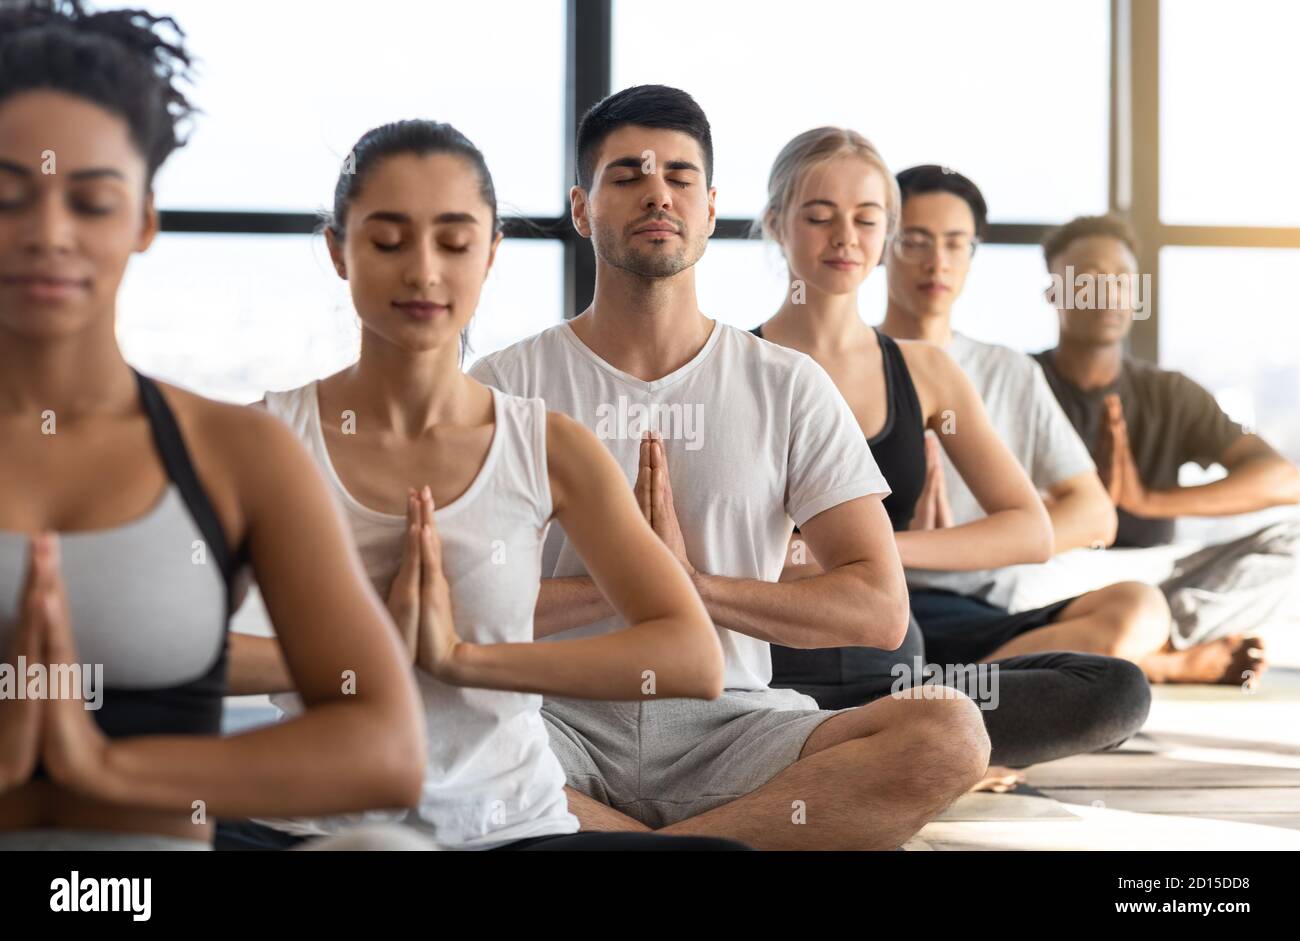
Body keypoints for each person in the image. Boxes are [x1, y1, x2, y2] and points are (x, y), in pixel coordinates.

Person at [470, 85, 992, 851]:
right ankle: (719, 845)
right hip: (554, 719)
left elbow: (878, 607)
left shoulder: (786, 384)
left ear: (710, 209)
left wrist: (694, 585)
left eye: (680, 177)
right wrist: (622, 583)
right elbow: (454, 601)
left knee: (950, 730)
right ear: (582, 209)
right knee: (417, 735)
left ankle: (634, 843)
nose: (658, 194)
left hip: (730, 721)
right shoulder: (502, 384)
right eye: (628, 177)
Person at [225, 119, 744, 851]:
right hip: (311, 827)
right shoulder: (263, 441)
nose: (425, 272)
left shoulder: (549, 445)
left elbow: (692, 656)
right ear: (339, 250)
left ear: (492, 252)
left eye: (455, 240)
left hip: (512, 832)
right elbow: (147, 652)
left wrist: (463, 659)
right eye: (388, 239)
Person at [0, 0, 426, 850]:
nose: (49, 234)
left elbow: (384, 743)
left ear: (145, 221)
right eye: (7, 196)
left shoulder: (236, 454)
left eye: (90, 202)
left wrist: (104, 770)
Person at [751, 127, 1150, 778]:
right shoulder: (730, 364)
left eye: (867, 218)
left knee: (1116, 690)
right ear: (776, 225)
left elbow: (1029, 528)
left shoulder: (925, 371)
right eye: (819, 217)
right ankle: (896, 755)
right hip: (768, 672)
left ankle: (895, 747)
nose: (845, 238)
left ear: (886, 235)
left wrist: (870, 555)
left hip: (897, 674)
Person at [878, 166, 1199, 683]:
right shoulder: (845, 364)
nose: (937, 261)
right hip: (869, 601)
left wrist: (967, 544)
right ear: (882, 245)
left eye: (956, 244)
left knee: (1140, 609)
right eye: (915, 241)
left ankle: (940, 697)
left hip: (982, 610)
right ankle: (962, 701)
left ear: (972, 255)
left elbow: (1096, 515)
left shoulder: (1009, 372)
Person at [1034, 213, 1298, 674]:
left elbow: (1283, 480)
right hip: (1047, 576)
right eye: (1089, 278)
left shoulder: (1169, 392)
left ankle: (1154, 645)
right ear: (1054, 294)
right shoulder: (1019, 382)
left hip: (1152, 579)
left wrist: (1150, 500)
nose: (1108, 292)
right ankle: (1165, 659)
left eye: (1121, 279)